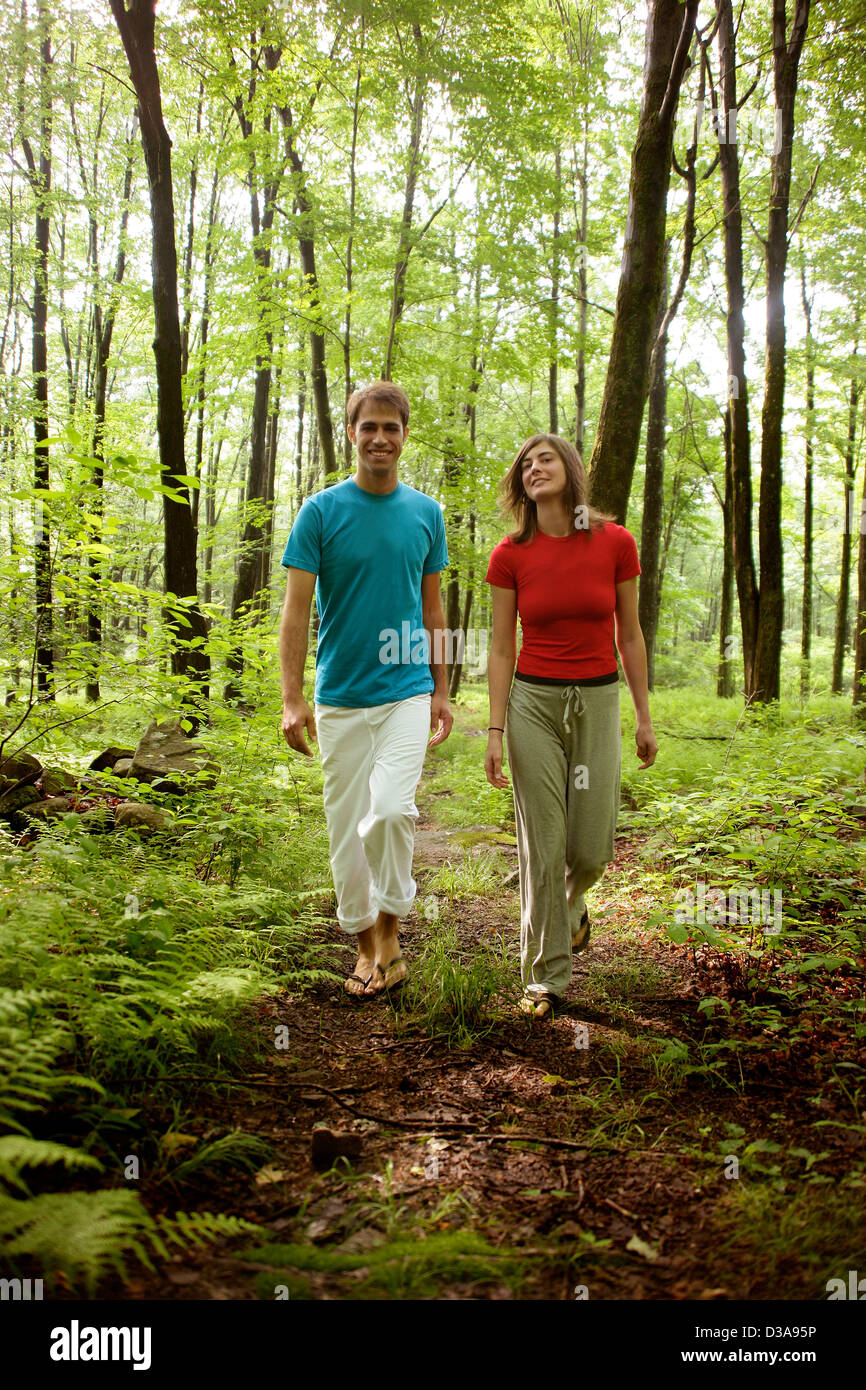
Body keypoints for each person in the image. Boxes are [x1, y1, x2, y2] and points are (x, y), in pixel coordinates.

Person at [279, 381, 453, 998]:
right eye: (369, 427)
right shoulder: (320, 512)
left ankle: (392, 930)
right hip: (340, 696)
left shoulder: (426, 513)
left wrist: (441, 687)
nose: (380, 438)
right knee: (345, 824)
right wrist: (292, 696)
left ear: (405, 435)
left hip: (405, 687)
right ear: (351, 432)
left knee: (389, 812)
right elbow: (296, 611)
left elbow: (434, 611)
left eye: (392, 427)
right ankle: (362, 944)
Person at [484, 433, 658, 1018]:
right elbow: (503, 647)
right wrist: (494, 728)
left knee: (589, 848)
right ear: (521, 484)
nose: (535, 469)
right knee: (543, 841)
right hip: (532, 703)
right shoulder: (511, 554)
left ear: (570, 470)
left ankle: (572, 907)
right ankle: (545, 977)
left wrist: (643, 716)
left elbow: (629, 635)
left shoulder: (614, 543)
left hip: (599, 701)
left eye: (545, 459)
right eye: (525, 464)